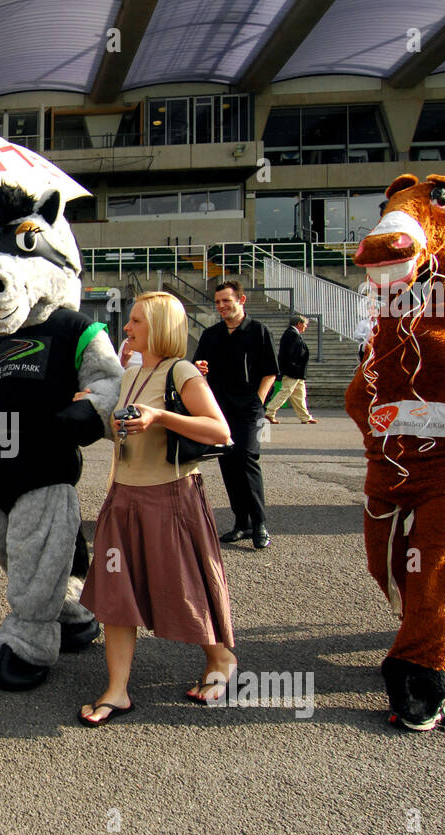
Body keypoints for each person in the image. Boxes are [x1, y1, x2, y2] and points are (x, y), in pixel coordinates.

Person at [79, 292, 235, 723]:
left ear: (161, 326)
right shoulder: (132, 373)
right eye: (129, 321)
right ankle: (117, 690)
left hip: (170, 497)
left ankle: (221, 661)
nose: (127, 329)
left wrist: (160, 418)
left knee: (187, 586)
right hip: (124, 498)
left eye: (136, 321)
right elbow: (129, 431)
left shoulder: (180, 370)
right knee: (115, 595)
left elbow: (218, 429)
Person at [193, 279, 278, 549]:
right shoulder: (211, 335)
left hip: (249, 409)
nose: (221, 306)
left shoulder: (258, 331)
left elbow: (270, 371)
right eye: (217, 302)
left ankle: (259, 523)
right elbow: (198, 366)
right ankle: (241, 523)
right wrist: (201, 368)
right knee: (228, 462)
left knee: (247, 458)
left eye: (226, 301)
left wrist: (258, 401)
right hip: (218, 409)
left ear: (241, 301)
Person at [264, 315, 317, 425]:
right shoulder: (291, 335)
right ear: (299, 324)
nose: (306, 327)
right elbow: (289, 355)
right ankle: (269, 412)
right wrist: (293, 368)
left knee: (299, 395)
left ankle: (305, 417)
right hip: (293, 371)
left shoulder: (293, 334)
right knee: (286, 391)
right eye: (305, 324)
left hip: (298, 372)